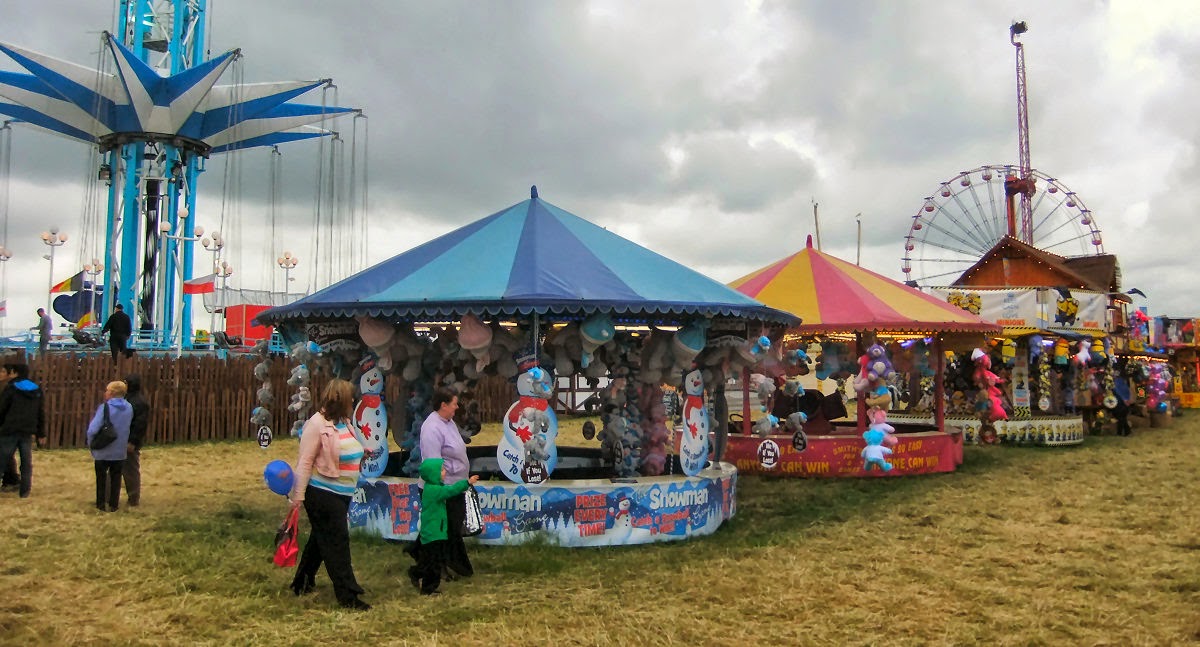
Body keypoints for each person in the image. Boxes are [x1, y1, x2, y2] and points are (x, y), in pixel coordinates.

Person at [288, 378, 371, 611]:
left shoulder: (344, 422)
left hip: (343, 494)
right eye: (351, 398)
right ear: (341, 399)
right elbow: (305, 462)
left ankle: (302, 582)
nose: (353, 401)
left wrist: (360, 455)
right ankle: (348, 595)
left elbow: (345, 449)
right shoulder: (316, 424)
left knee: (320, 539)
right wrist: (298, 497)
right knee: (337, 542)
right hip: (322, 493)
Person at [418, 387, 474, 579]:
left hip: (454, 484)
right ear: (443, 405)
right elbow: (432, 463)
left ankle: (439, 561)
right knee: (443, 529)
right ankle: (439, 566)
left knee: (451, 526)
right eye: (454, 404)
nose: (457, 407)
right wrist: (441, 489)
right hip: (443, 488)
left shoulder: (448, 422)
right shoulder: (431, 428)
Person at [409, 458, 478, 595]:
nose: (444, 472)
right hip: (434, 534)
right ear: (433, 474)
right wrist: (467, 483)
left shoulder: (432, 488)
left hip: (433, 532)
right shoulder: (434, 490)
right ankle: (428, 589)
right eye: (441, 470)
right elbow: (451, 491)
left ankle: (416, 573)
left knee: (431, 560)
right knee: (434, 564)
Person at [86, 380, 133, 512]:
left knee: (101, 477)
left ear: (111, 393)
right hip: (120, 449)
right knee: (116, 477)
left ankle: (100, 504)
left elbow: (93, 429)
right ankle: (114, 504)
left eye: (107, 391)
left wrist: (91, 444)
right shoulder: (129, 408)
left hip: (104, 448)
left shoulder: (105, 407)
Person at [0, 363, 45, 498]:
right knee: (26, 462)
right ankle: (25, 491)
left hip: (10, 430)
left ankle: (9, 483)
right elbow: (40, 413)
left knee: (2, 460)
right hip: (27, 431)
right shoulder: (36, 389)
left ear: (13, 372)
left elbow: (2, 409)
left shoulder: (11, 388)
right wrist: (41, 433)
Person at [121, 374, 151, 506]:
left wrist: (132, 442)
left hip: (129, 441)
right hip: (121, 440)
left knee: (130, 471)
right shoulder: (127, 399)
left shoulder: (138, 402)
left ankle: (133, 499)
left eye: (125, 383)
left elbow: (139, 425)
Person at [1113, 371, 1134, 437]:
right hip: (1126, 402)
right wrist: (1128, 399)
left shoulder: (1116, 382)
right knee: (1123, 417)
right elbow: (1127, 391)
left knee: (1120, 417)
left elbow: (1118, 391)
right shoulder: (1123, 382)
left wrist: (1124, 399)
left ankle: (1122, 432)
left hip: (1120, 402)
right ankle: (1125, 431)